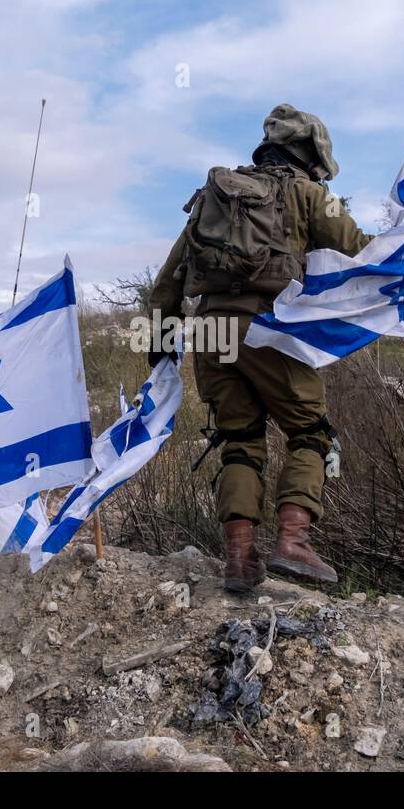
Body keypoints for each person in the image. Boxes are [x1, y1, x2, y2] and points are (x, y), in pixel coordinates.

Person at [146, 104, 371, 592]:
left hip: (210, 332)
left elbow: (167, 284)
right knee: (312, 434)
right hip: (270, 325)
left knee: (239, 442)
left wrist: (162, 350)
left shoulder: (214, 199)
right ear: (312, 152)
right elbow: (362, 252)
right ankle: (293, 542)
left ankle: (239, 561)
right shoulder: (310, 194)